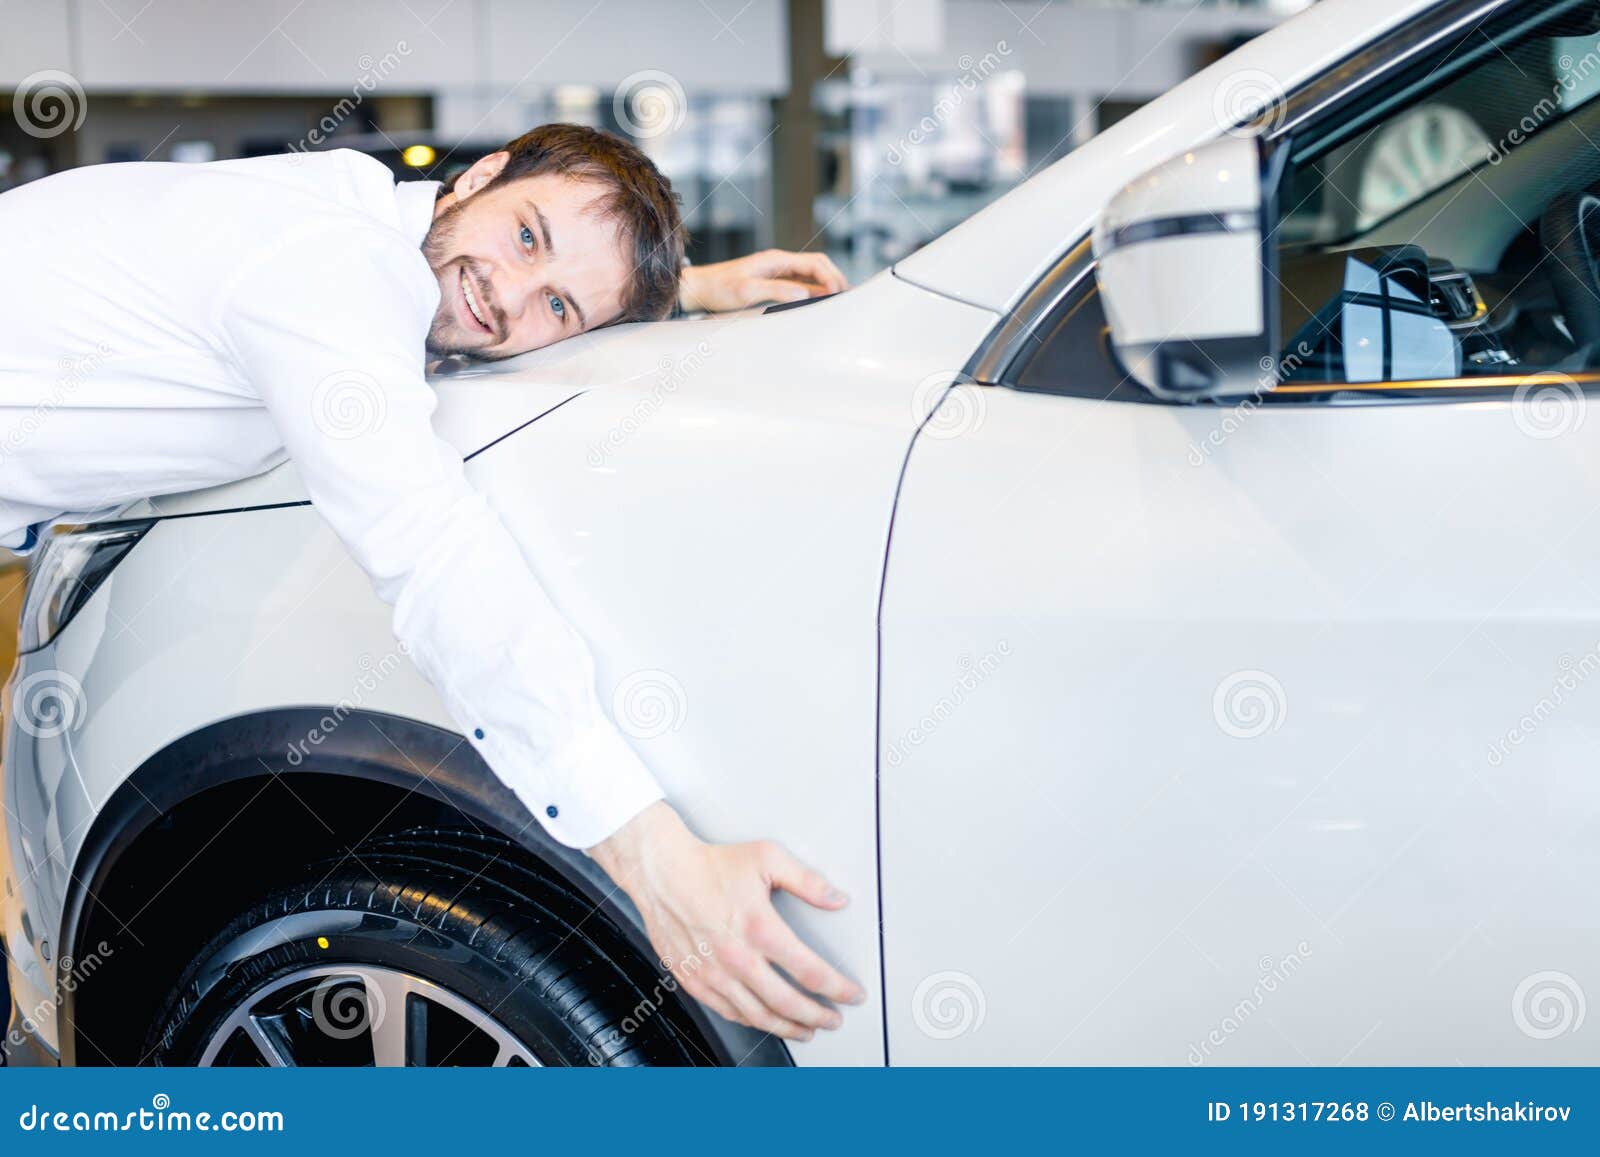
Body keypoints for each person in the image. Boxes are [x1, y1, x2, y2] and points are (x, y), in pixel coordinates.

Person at [0, 122, 861, 1043]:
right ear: (482, 175)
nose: (508, 296)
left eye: (560, 307)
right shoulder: (333, 264)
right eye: (528, 235)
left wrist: (679, 292)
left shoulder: (356, 213)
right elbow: (433, 553)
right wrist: (651, 858)